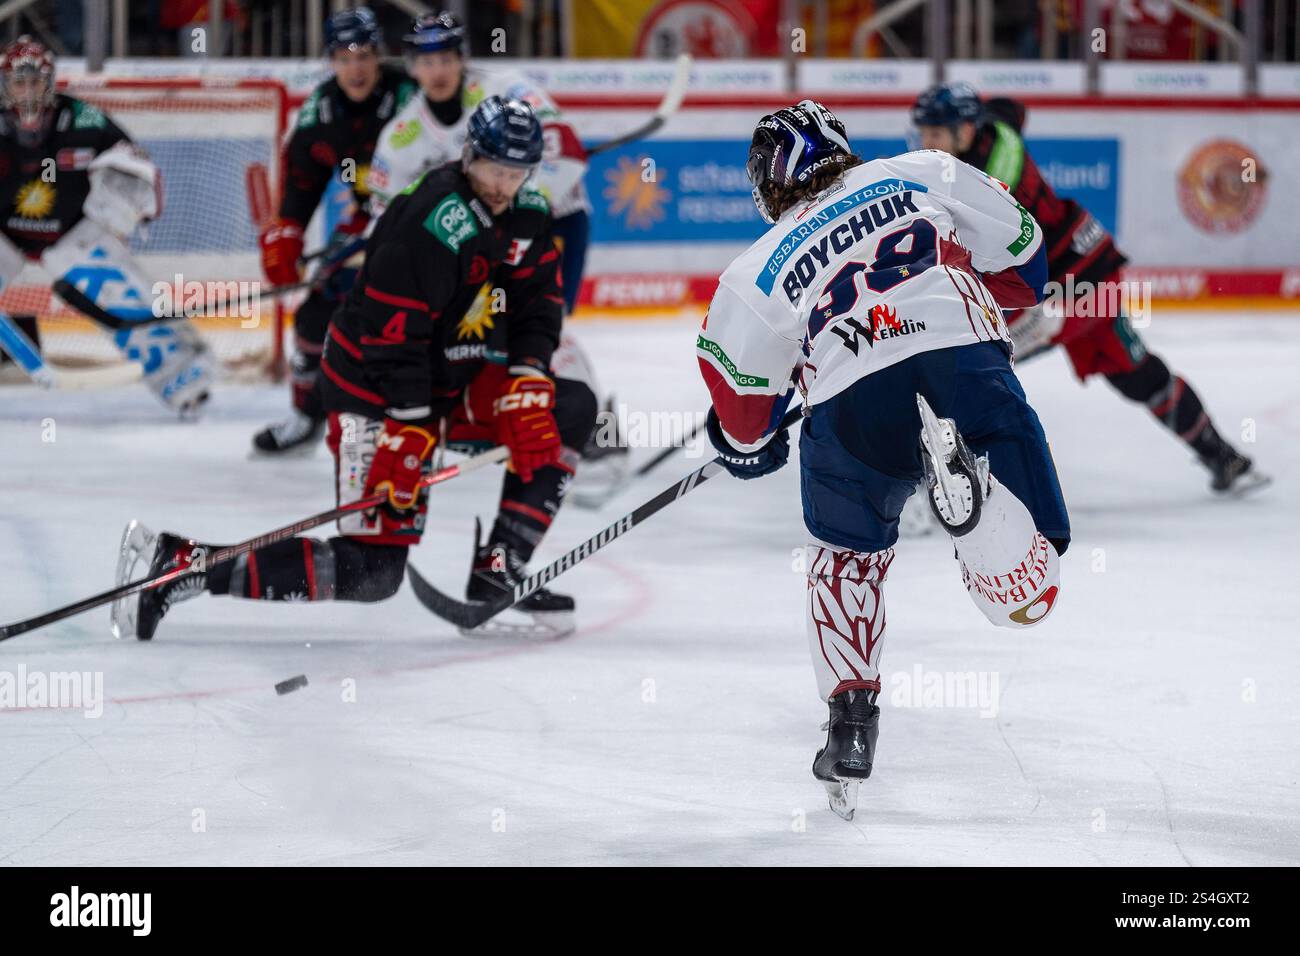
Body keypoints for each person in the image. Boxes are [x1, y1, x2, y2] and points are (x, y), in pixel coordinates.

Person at [697, 100, 1069, 819]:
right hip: (965, 360)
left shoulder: (752, 270)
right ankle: (976, 505)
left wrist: (750, 444)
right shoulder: (921, 170)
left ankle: (851, 724)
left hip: (851, 403)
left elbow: (745, 424)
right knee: (1028, 598)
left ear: (768, 186)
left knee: (846, 558)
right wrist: (955, 298)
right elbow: (1027, 258)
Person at [114, 96, 597, 642]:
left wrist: (529, 378)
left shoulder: (527, 216)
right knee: (373, 572)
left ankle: (497, 572)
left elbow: (538, 304)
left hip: (447, 384)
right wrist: (408, 429)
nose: (502, 185)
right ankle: (188, 565)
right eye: (493, 169)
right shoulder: (431, 220)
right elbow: (394, 336)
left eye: (516, 173)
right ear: (468, 156)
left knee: (569, 406)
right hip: (372, 387)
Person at [912, 81, 1267, 495]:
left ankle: (937, 481)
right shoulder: (994, 133)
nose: (927, 143)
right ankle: (1224, 458)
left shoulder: (988, 182)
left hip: (1068, 290)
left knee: (965, 365)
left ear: (967, 130)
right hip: (1090, 263)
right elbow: (1012, 109)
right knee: (1137, 374)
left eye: (936, 133)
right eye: (924, 132)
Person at [0, 35, 212, 413]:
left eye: (35, 82)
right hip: (4, 237)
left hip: (72, 233)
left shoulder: (83, 118)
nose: (28, 92)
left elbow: (135, 163)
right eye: (19, 83)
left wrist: (121, 202)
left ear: (50, 84)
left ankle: (183, 378)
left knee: (121, 295)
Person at [252, 6, 418, 454]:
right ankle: (307, 413)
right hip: (368, 224)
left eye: (363, 55)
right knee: (314, 315)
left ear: (378, 56)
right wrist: (286, 233)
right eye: (344, 57)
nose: (355, 67)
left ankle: (418, 418)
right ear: (330, 61)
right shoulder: (320, 113)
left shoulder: (409, 98)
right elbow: (300, 186)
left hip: (424, 226)